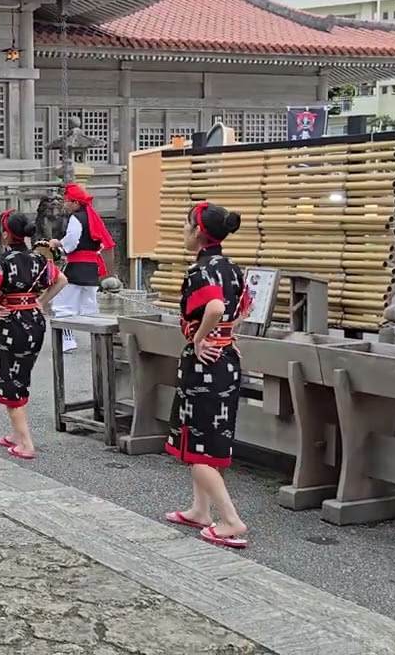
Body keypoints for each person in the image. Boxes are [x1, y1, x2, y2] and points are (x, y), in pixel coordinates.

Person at [164, 201, 251, 549]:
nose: (183, 231)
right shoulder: (232, 268)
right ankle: (200, 510)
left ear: (198, 232)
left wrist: (201, 338)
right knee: (206, 440)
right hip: (226, 359)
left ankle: (230, 520)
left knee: (199, 447)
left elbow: (214, 306)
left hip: (205, 364)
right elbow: (241, 307)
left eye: (186, 225)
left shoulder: (199, 271)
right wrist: (226, 335)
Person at [0, 210, 68, 460]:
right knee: (22, 374)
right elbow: (62, 280)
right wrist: (40, 300)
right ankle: (15, 434)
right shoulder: (38, 259)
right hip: (34, 320)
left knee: (10, 378)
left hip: (14, 322)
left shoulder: (1, 261)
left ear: (5, 234)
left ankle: (25, 443)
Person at [48, 182, 115, 353]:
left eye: (67, 201)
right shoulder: (93, 218)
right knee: (90, 306)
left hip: (76, 267)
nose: (65, 204)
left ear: (76, 202)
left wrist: (58, 244)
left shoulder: (76, 218)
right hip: (92, 268)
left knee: (64, 304)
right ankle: (97, 341)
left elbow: (71, 241)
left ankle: (68, 340)